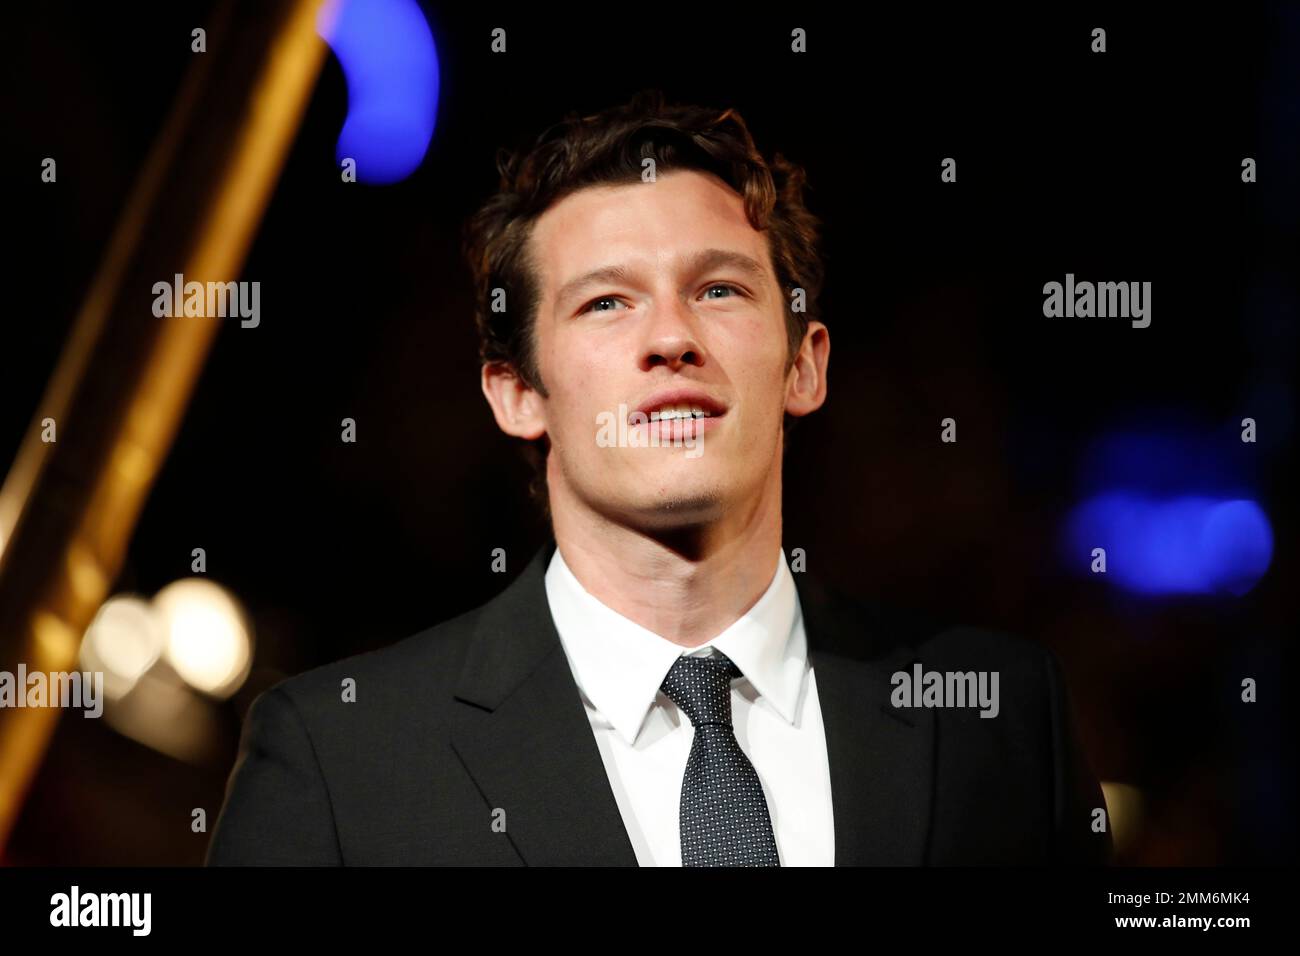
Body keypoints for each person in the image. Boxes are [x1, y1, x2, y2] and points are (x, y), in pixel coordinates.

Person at [206, 89, 1111, 866]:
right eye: (606, 302)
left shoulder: (1000, 719)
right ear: (518, 393)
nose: (671, 338)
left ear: (805, 365)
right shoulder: (341, 758)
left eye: (719, 290)